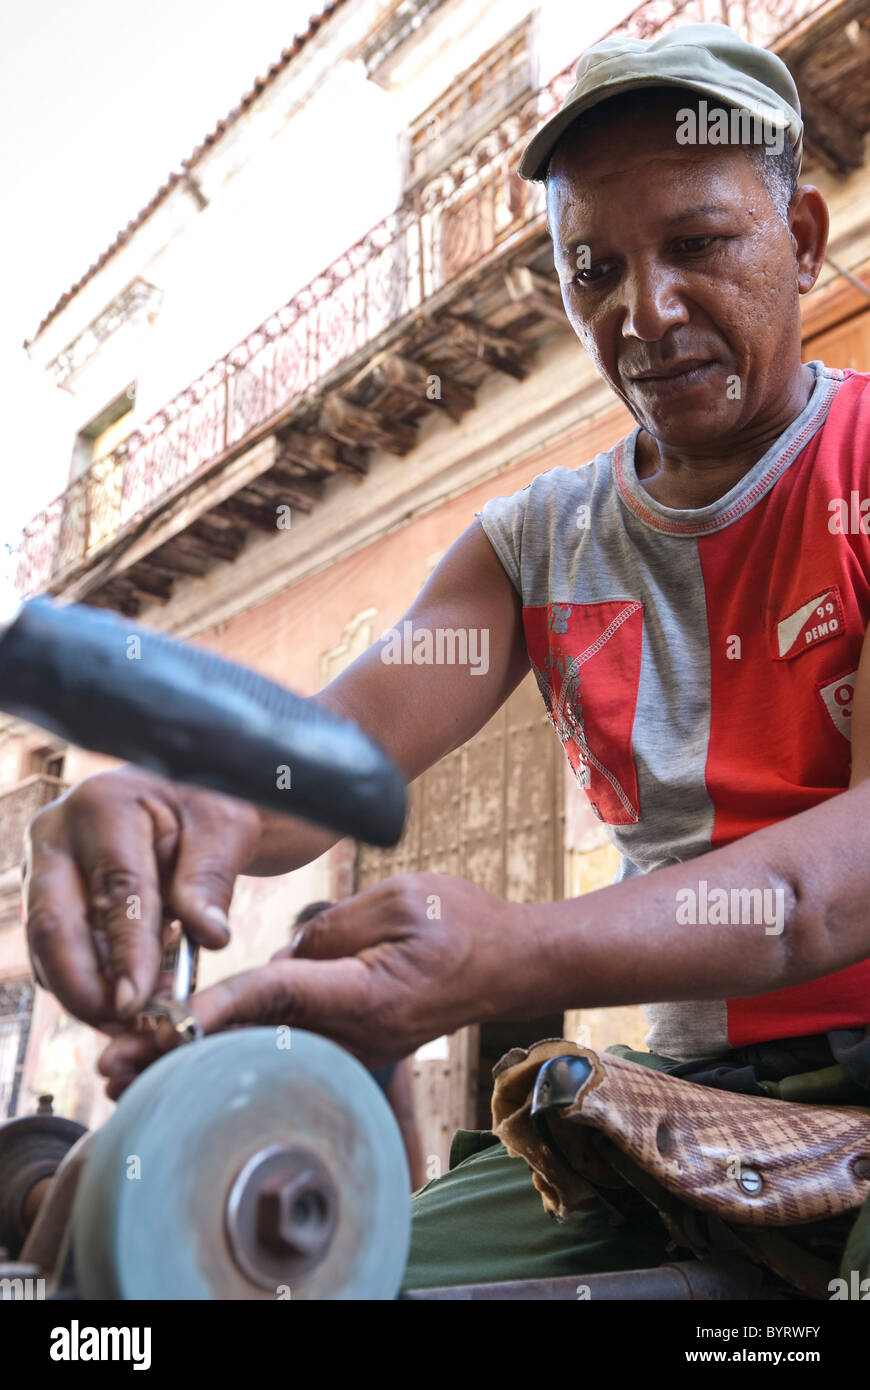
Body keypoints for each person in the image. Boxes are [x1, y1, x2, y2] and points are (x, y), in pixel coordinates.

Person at [22, 24, 870, 1288]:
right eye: (595, 267)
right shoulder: (535, 545)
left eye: (697, 244)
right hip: (677, 1107)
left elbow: (826, 887)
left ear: (801, 240)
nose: (645, 308)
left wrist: (518, 949)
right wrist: (175, 809)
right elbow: (328, 761)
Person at [291, 901, 426, 1192]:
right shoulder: (283, 1035)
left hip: (360, 1188)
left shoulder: (381, 1036)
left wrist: (418, 1200)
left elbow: (405, 1119)